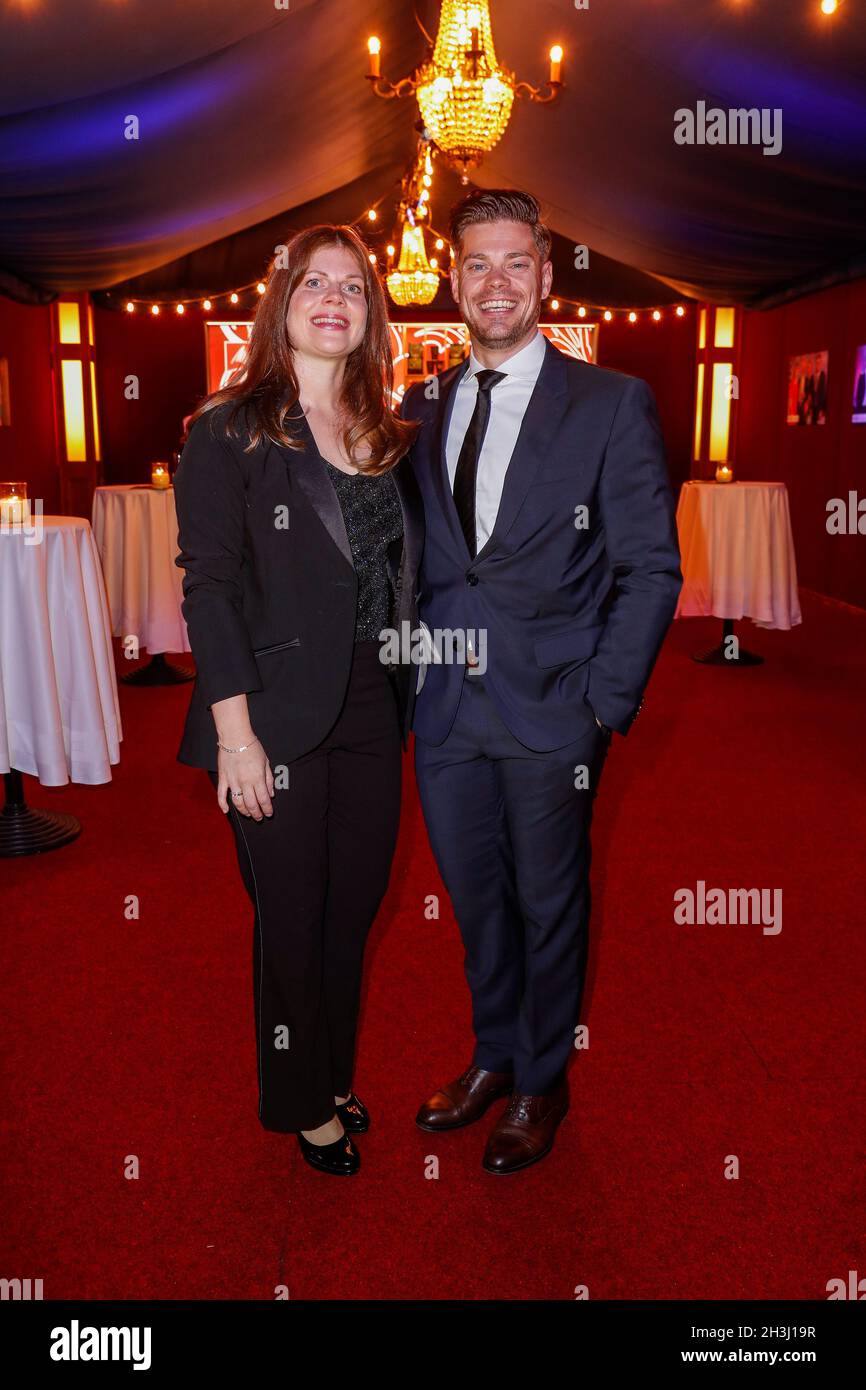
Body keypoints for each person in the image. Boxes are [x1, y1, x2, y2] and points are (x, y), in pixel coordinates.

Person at [402, 189, 682, 1175]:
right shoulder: (421, 404)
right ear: (450, 279)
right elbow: (405, 558)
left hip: (553, 710)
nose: (494, 283)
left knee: (547, 902)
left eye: (514, 262)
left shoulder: (608, 404)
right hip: (442, 711)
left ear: (546, 277)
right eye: (475, 264)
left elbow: (651, 568)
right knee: (475, 901)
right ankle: (491, 1055)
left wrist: (600, 707)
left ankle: (539, 1082)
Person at [173, 225, 423, 1176]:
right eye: (314, 283)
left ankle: (328, 1070)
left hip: (374, 706)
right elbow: (209, 586)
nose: (334, 299)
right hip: (269, 711)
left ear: (370, 316)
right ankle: (300, 1100)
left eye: (353, 288)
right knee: (292, 912)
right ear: (281, 304)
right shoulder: (229, 428)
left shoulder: (388, 436)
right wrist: (234, 737)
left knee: (352, 909)